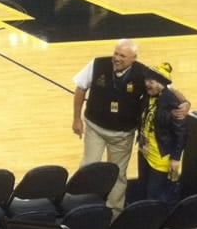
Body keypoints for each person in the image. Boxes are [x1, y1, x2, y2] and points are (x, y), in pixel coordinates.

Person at [71, 39, 189, 212]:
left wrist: (185, 102)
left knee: (118, 174)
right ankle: (80, 209)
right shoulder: (97, 64)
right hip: (95, 128)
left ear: (134, 58)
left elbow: (168, 87)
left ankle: (114, 214)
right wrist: (76, 119)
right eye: (116, 53)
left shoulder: (143, 72)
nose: (117, 58)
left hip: (123, 134)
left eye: (122, 56)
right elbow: (80, 88)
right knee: (89, 167)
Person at [137, 63, 188, 204]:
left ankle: (155, 223)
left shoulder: (172, 102)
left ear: (160, 84)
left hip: (161, 157)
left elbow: (181, 133)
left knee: (154, 195)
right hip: (144, 151)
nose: (147, 84)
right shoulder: (148, 95)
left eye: (151, 81)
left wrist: (176, 158)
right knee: (142, 189)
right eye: (146, 80)